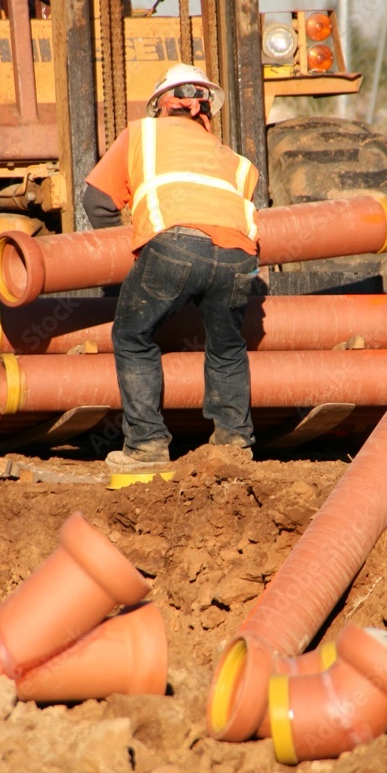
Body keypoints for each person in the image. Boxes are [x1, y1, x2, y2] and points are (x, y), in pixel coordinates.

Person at [82, 63, 260, 476]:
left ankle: (146, 445)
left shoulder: (142, 134)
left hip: (174, 245)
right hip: (239, 256)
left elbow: (96, 200)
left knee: (132, 336)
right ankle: (234, 443)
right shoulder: (235, 160)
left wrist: (130, 252)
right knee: (227, 346)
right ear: (206, 112)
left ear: (161, 105)